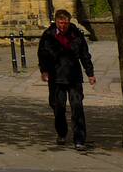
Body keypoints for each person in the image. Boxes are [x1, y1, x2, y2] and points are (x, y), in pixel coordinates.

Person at [37, 10, 96, 150]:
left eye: (66, 23)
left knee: (77, 107)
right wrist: (44, 71)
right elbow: (42, 54)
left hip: (73, 76)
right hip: (56, 76)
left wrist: (90, 73)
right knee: (58, 107)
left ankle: (80, 139)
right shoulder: (48, 35)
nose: (63, 26)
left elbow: (84, 54)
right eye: (61, 23)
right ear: (56, 22)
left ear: (69, 22)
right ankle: (62, 133)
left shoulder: (76, 34)